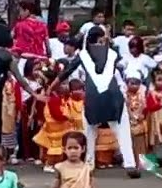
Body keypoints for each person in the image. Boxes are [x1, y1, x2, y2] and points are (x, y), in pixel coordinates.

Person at [50, 26, 139, 178]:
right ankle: (130, 164)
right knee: (122, 131)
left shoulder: (83, 55)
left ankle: (89, 164)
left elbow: (66, 72)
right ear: (101, 39)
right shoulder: (112, 53)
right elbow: (119, 64)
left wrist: (50, 88)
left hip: (93, 97)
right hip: (113, 96)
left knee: (89, 132)